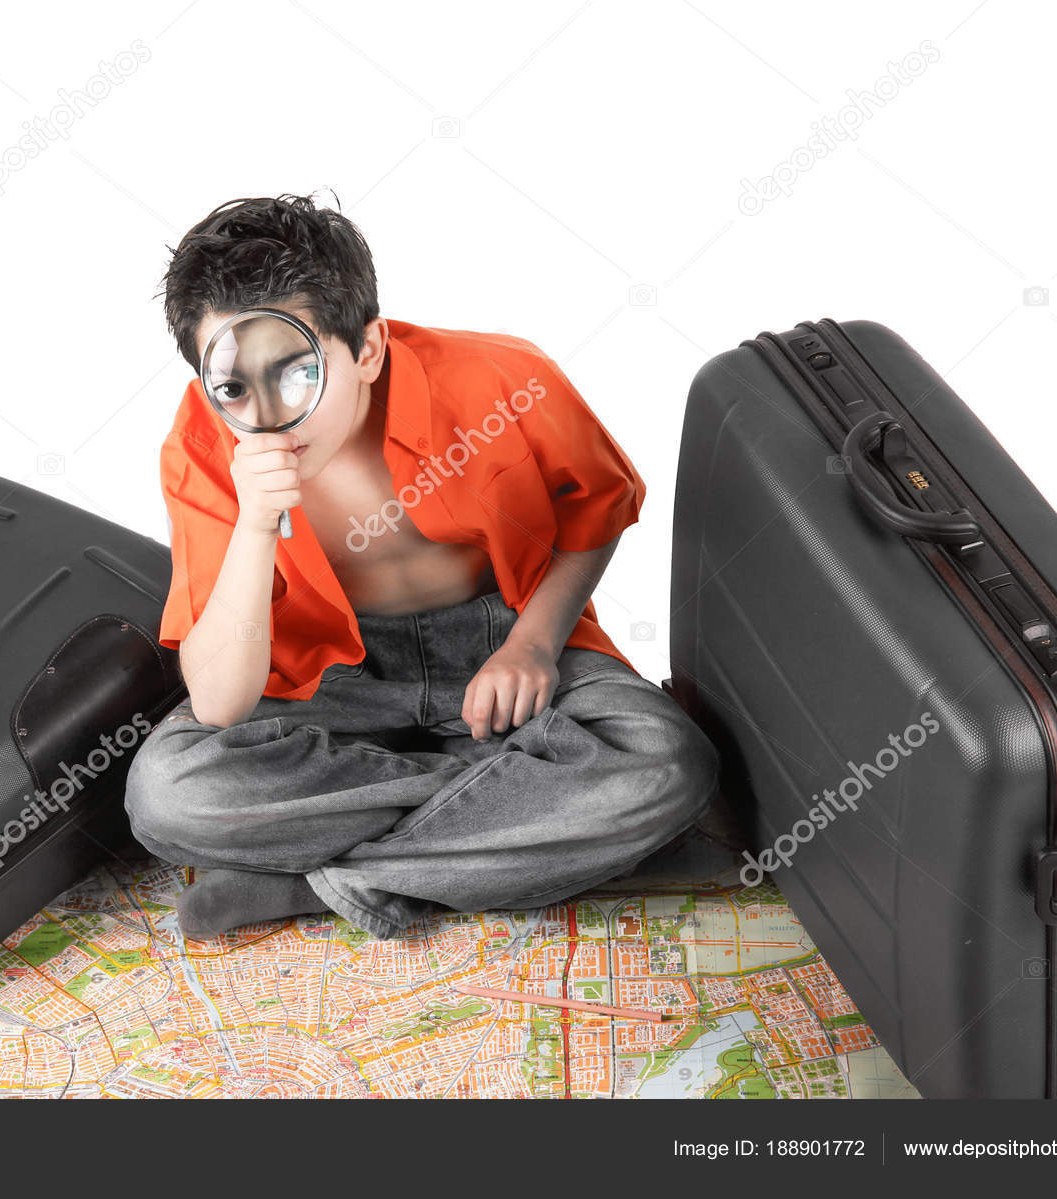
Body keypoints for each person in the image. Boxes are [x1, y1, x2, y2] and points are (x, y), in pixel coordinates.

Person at [124, 192, 719, 941]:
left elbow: (599, 507)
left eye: (298, 372)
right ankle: (516, 818)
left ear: (367, 350)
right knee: (168, 794)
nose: (267, 413)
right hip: (334, 682)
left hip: (503, 644)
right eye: (234, 387)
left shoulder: (503, 379)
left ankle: (320, 882)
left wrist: (533, 645)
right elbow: (217, 703)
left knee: (669, 763)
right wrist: (255, 522)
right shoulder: (199, 447)